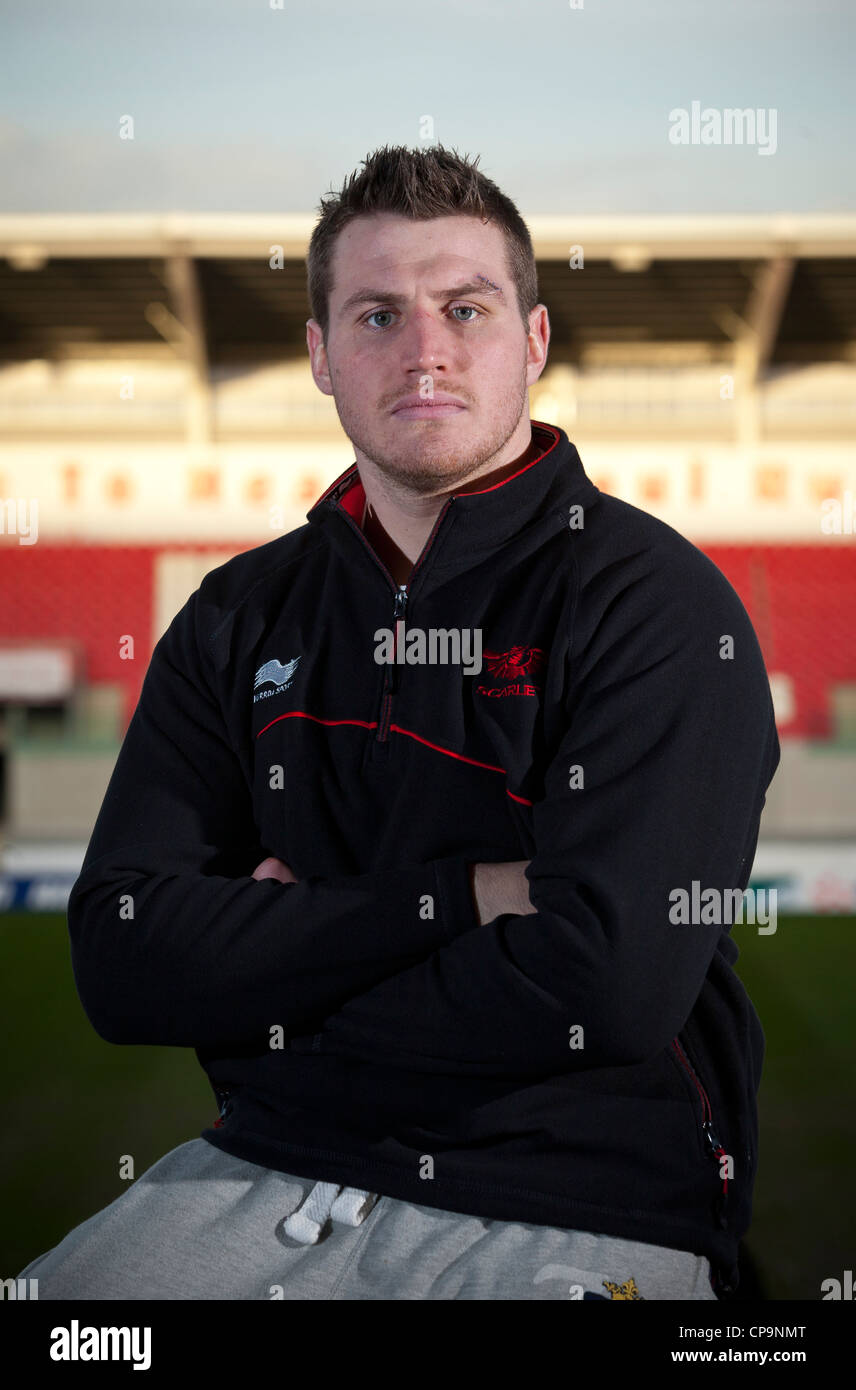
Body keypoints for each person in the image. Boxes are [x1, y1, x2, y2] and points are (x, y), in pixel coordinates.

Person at [17, 144, 779, 1301]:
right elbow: (124, 960)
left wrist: (267, 979)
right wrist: (464, 898)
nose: (423, 349)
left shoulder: (655, 604)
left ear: (530, 341)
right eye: (376, 315)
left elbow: (610, 989)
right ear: (321, 356)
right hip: (264, 1166)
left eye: (463, 309)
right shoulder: (238, 613)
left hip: (574, 1198)